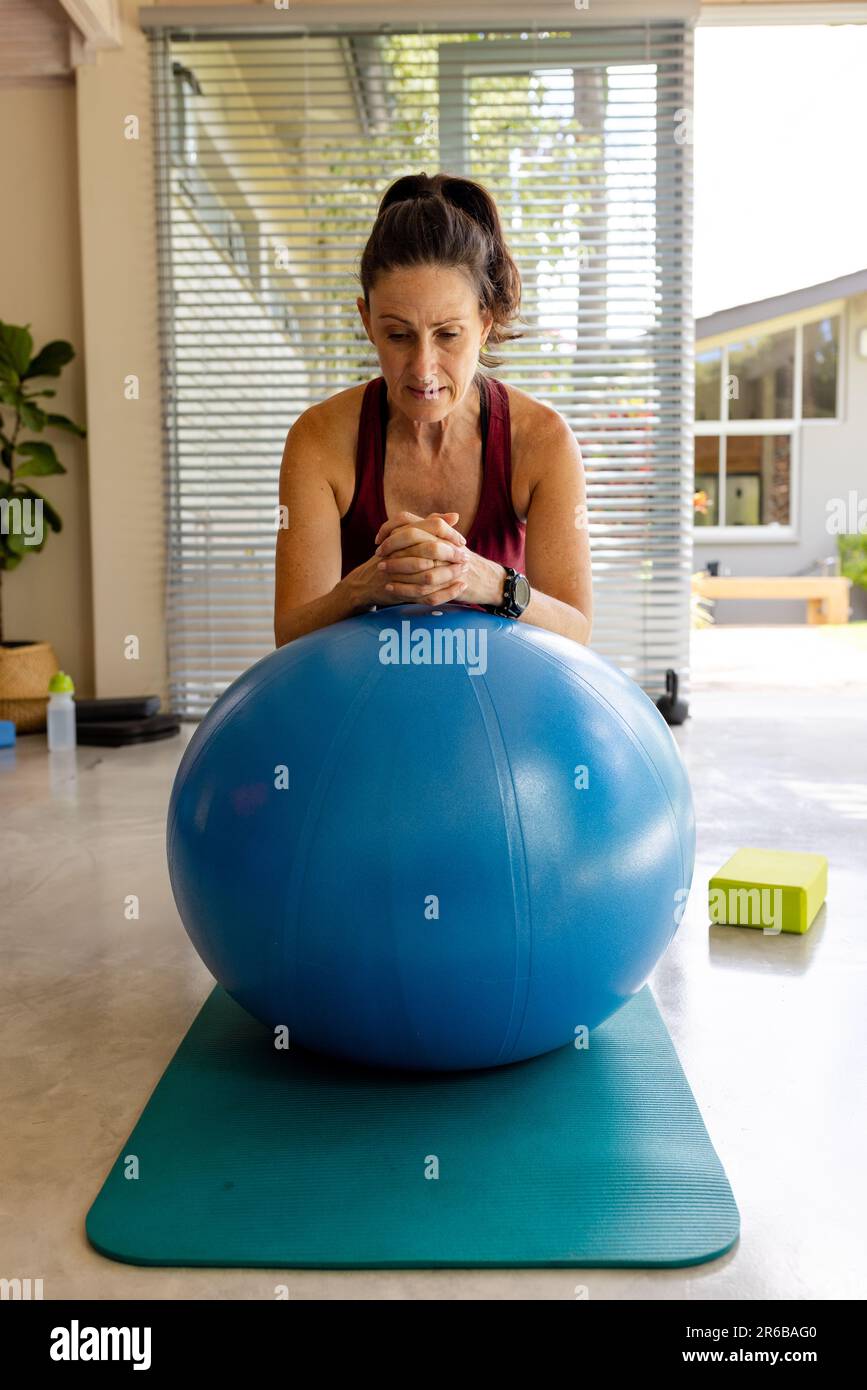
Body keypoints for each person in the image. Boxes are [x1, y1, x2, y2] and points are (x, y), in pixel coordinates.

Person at [274, 172, 592, 647]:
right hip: (361, 706)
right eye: (398, 335)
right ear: (367, 322)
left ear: (484, 324)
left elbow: (577, 631)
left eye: (448, 335)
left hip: (499, 708)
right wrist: (369, 584)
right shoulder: (320, 439)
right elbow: (291, 635)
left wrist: (487, 582)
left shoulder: (542, 439)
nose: (423, 369)